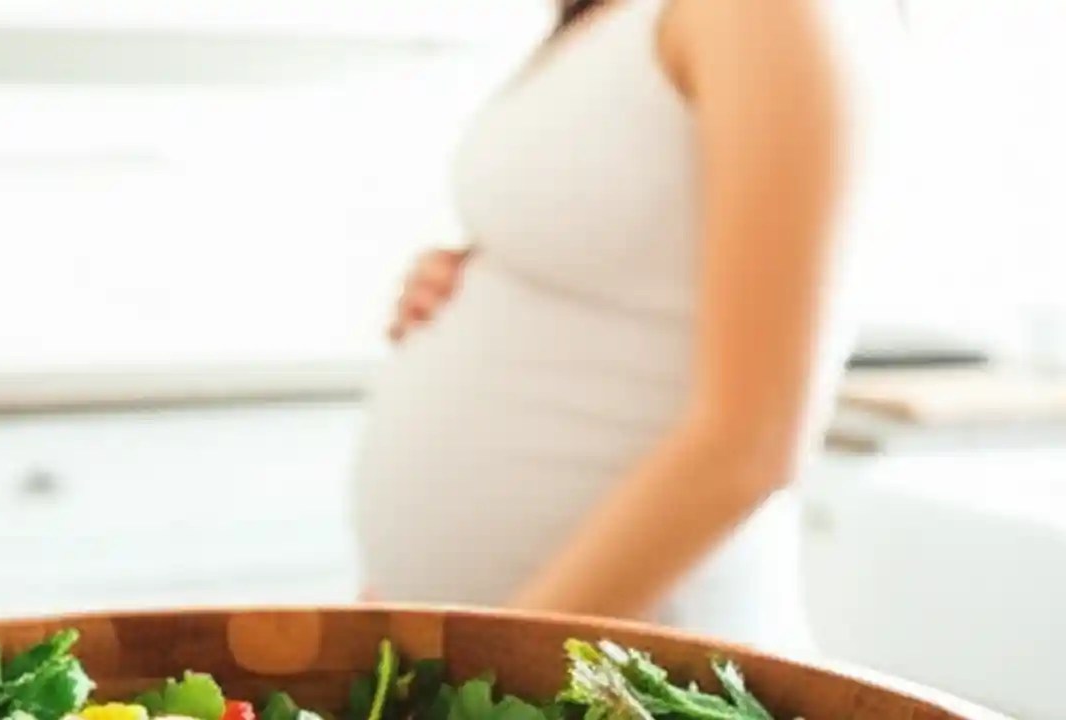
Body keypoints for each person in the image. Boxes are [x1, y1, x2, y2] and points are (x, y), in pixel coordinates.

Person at [353, 0, 848, 650]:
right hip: (498, 652)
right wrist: (486, 272)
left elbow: (754, 442)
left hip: (625, 661)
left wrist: (490, 665)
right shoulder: (605, 15)